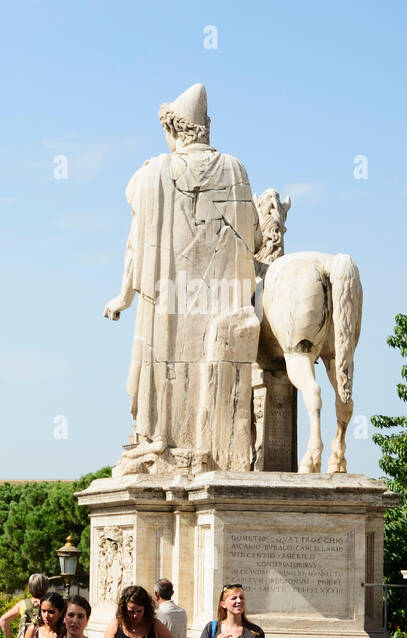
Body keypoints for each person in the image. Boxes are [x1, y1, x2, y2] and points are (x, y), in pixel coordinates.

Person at [104, 83, 262, 475]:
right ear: (206, 126)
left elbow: (134, 247)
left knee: (147, 386)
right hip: (227, 310)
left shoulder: (155, 172)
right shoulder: (236, 169)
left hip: (168, 315)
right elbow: (255, 240)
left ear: (175, 129)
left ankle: (164, 447)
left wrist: (123, 297)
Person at [0, 574, 51, 638]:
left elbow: (2, 621)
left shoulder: (23, 604)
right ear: (46, 588)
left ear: (29, 588)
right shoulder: (51, 604)